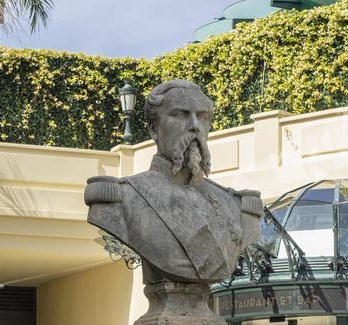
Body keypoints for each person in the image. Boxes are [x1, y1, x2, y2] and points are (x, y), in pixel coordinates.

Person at [85, 80, 262, 285]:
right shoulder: (124, 198)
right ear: (153, 129)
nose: (195, 126)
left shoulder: (235, 205)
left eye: (203, 117)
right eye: (180, 115)